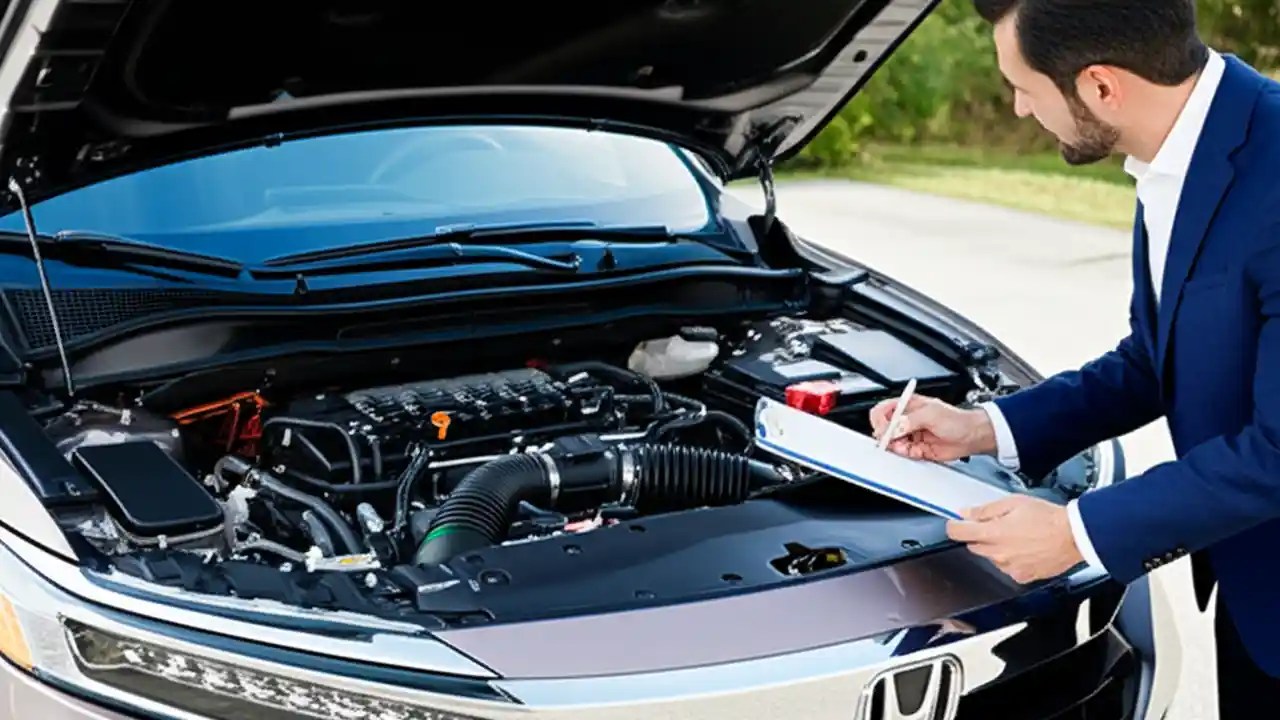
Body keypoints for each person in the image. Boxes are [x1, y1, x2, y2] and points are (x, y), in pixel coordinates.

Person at [867, 0, 1280, 713]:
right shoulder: (1177, 152)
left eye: (1024, 86)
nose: (1021, 109)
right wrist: (985, 428)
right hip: (1255, 587)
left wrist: (1074, 534)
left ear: (1099, 87)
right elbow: (1154, 361)